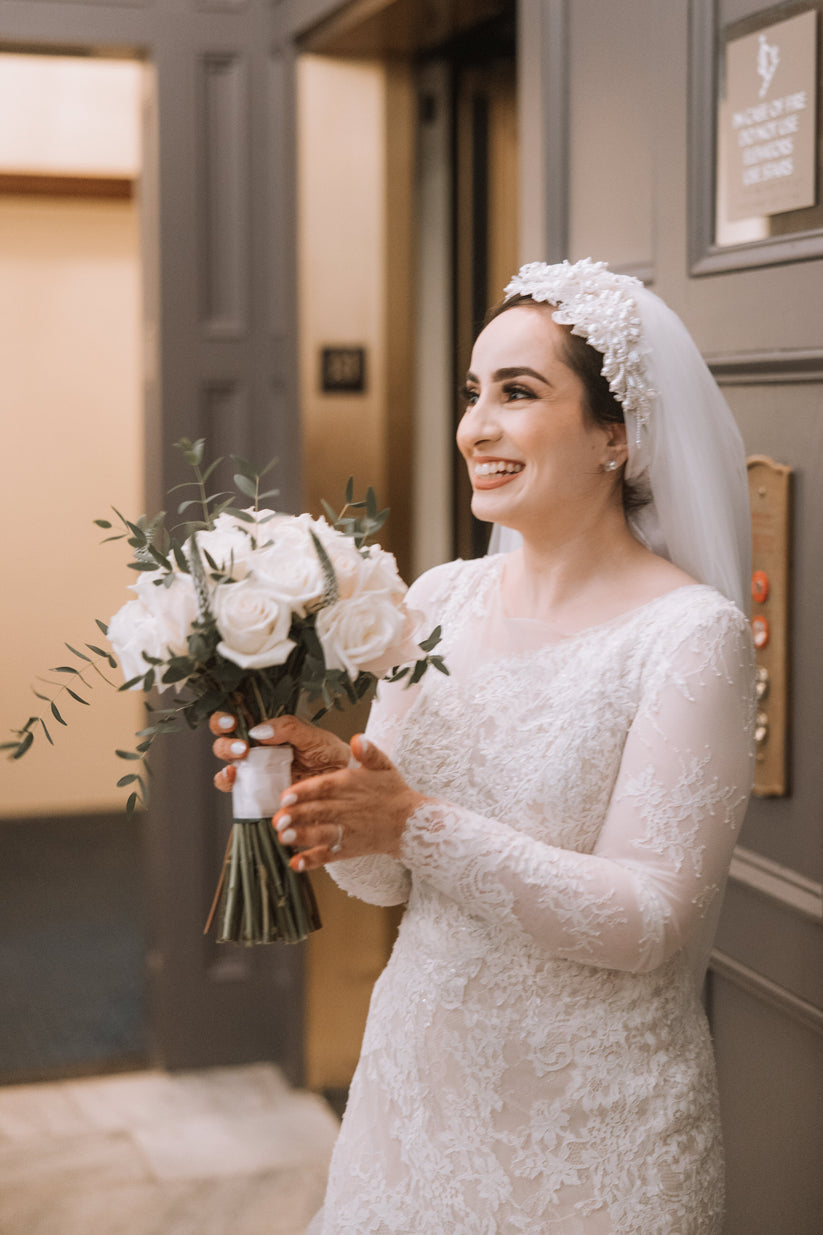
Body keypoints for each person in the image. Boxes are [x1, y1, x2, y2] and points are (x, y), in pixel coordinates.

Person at [211, 258, 755, 1233]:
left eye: (517, 392)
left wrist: (411, 822)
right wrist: (335, 795)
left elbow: (648, 918)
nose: (475, 427)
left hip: (592, 1140)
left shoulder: (687, 636)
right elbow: (388, 884)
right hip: (411, 1110)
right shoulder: (439, 601)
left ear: (615, 433)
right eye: (472, 393)